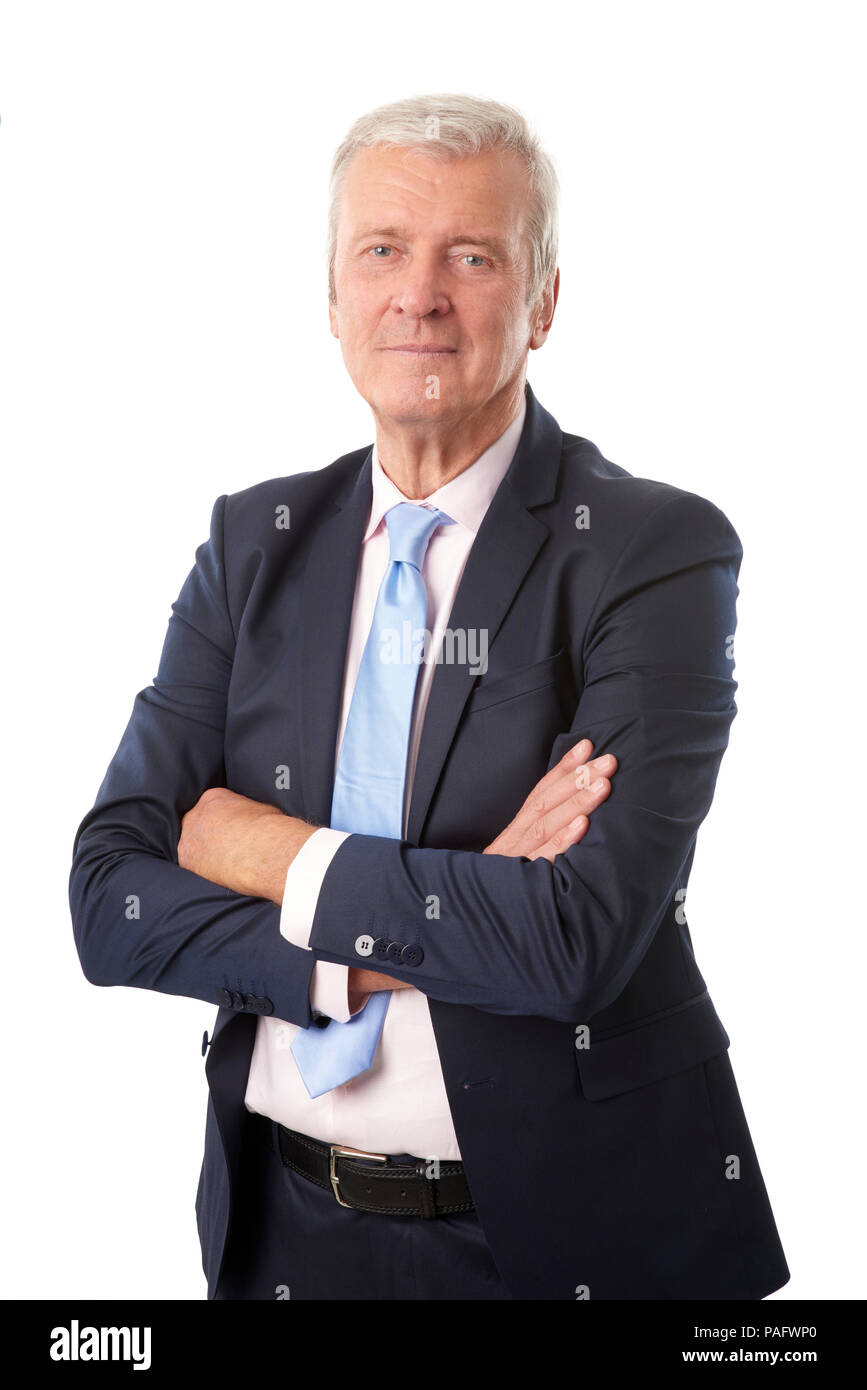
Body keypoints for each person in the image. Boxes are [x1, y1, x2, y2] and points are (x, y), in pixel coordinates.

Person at [69, 93, 789, 1300]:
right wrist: (396, 936)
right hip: (282, 1231)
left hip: (562, 1243)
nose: (421, 294)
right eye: (383, 251)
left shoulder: (650, 551)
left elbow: (573, 941)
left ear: (542, 299)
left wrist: (275, 850)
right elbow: (111, 900)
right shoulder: (256, 545)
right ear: (334, 298)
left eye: (472, 254)